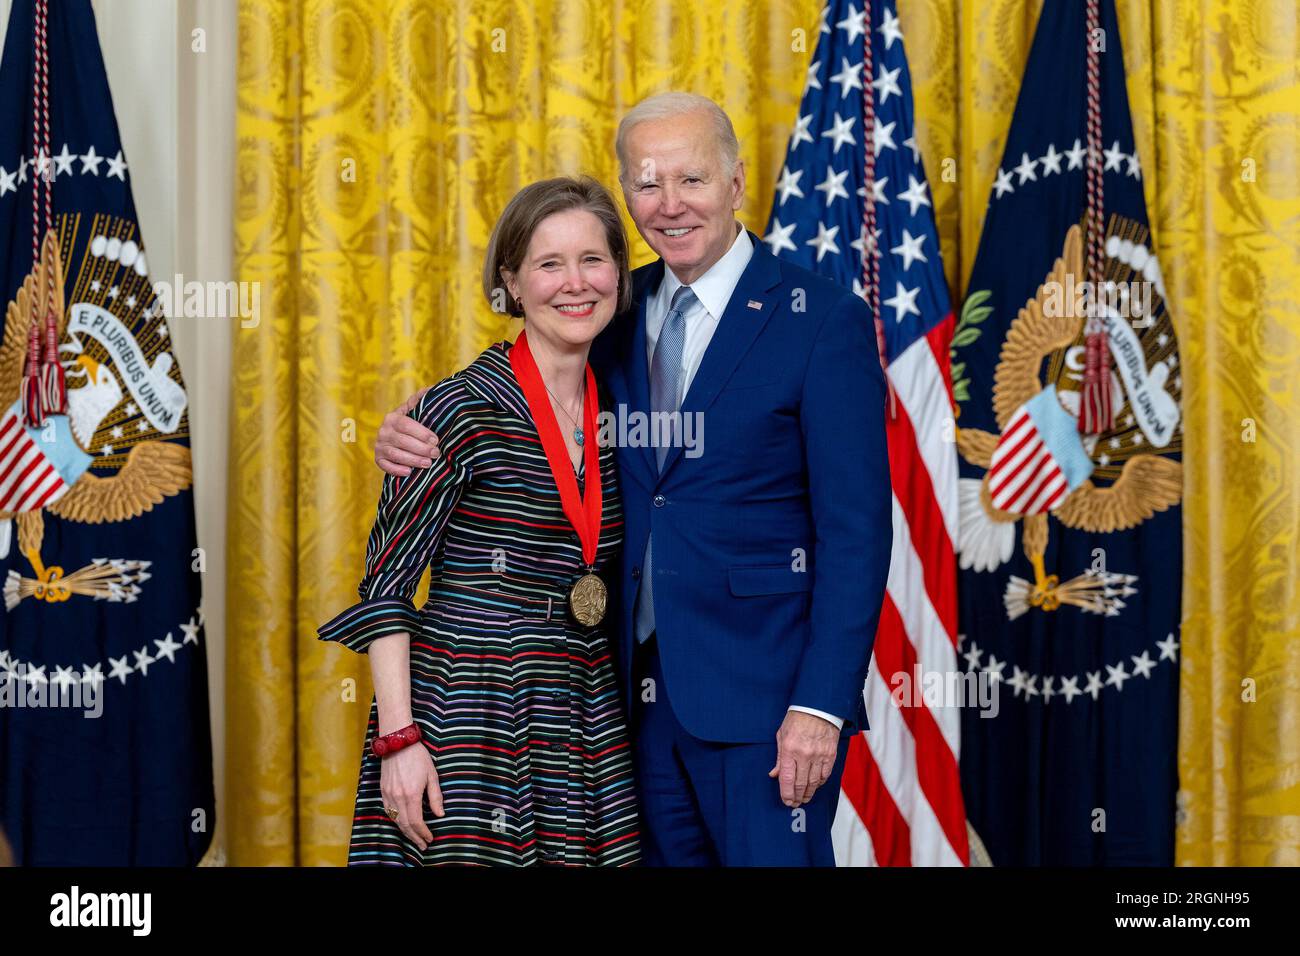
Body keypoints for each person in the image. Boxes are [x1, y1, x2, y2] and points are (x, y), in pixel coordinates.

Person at [375, 92, 892, 866]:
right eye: (647, 184)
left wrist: (819, 704)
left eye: (692, 180)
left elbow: (856, 534)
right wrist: (410, 426)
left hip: (767, 712)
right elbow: (535, 407)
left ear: (737, 182)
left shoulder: (819, 320)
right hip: (620, 707)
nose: (670, 205)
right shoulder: (613, 313)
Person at [319, 176, 640, 866]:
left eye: (593, 259)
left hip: (581, 702)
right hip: (469, 707)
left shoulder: (618, 411)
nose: (575, 282)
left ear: (619, 272)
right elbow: (386, 589)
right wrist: (399, 743)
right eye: (549, 264)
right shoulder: (456, 409)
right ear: (513, 284)